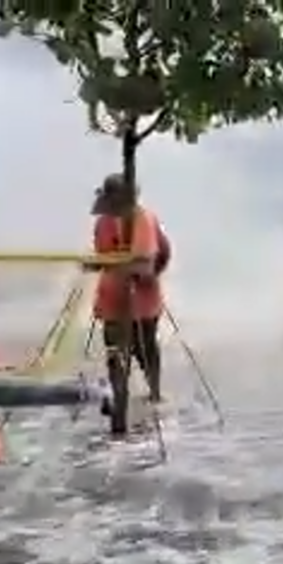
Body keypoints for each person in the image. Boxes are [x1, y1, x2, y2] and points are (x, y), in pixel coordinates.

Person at [89, 173, 169, 435]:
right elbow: (103, 255)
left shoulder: (142, 220)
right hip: (112, 300)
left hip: (141, 300)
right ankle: (118, 407)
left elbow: (146, 263)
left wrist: (123, 265)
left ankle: (154, 394)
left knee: (145, 348)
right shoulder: (103, 222)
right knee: (115, 355)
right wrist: (99, 263)